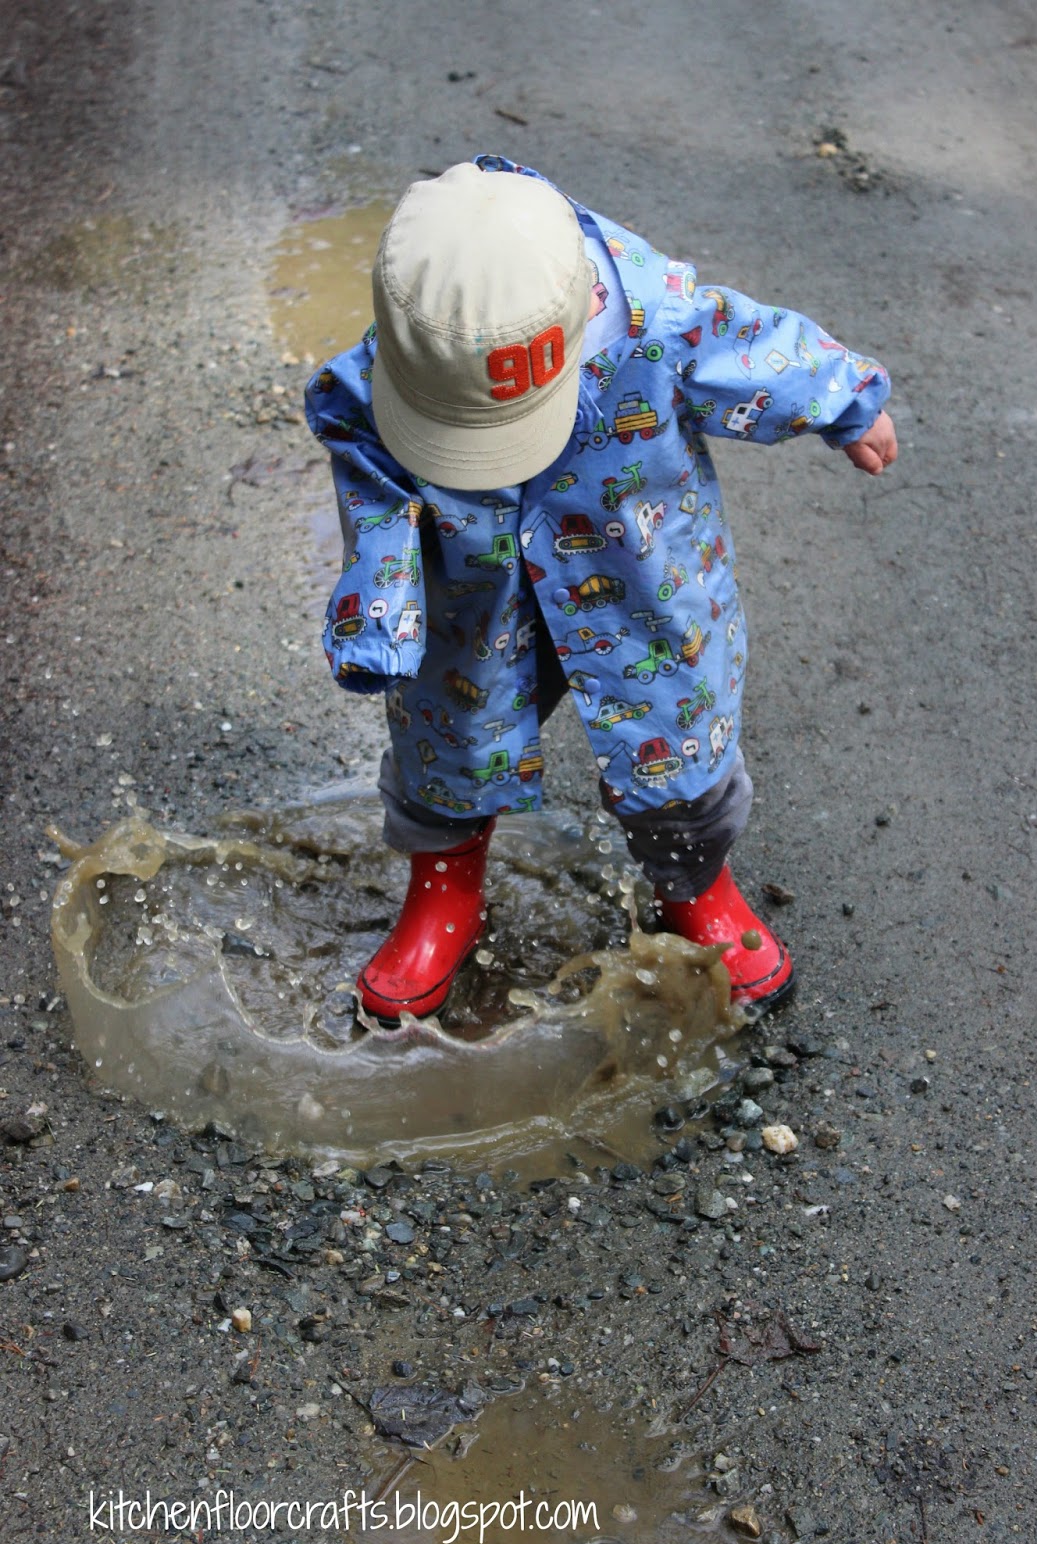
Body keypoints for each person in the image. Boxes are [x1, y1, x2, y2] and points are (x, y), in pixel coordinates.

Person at [306, 155, 896, 1023]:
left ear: (585, 309)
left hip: (635, 585)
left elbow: (755, 348)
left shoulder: (656, 319)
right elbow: (373, 488)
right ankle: (443, 889)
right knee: (448, 733)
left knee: (677, 730)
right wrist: (379, 612)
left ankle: (695, 884)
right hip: (472, 601)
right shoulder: (388, 368)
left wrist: (847, 400)